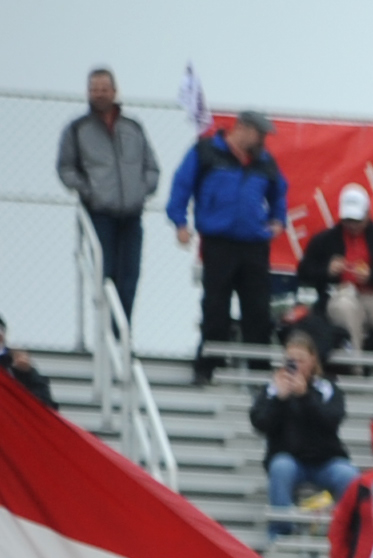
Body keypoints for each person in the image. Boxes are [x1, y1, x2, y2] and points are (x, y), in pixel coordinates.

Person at [164, 108, 286, 385]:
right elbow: (181, 187)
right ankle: (208, 366)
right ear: (241, 128)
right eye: (259, 133)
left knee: (258, 309)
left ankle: (258, 372)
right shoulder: (206, 152)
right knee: (215, 306)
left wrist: (278, 220)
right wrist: (180, 223)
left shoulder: (265, 161)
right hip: (218, 242)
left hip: (254, 245)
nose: (263, 140)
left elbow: (279, 193)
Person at [57, 70, 160, 336]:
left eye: (104, 88)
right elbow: (66, 168)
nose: (99, 93)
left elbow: (151, 167)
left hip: (132, 215)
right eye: (94, 88)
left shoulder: (132, 127)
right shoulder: (77, 129)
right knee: (107, 275)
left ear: (114, 91)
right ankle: (107, 335)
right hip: (100, 214)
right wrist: (89, 192)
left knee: (131, 277)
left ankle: (122, 333)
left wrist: (142, 190)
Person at [294, 185, 373, 359]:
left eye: (356, 220)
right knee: (345, 308)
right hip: (340, 294)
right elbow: (304, 271)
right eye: (348, 220)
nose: (352, 225)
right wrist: (327, 270)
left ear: (367, 214)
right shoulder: (324, 239)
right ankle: (354, 367)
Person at [250, 337, 358, 517]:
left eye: (301, 360)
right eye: (291, 360)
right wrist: (279, 399)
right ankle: (281, 531)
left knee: (349, 475)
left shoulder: (327, 388)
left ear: (312, 361)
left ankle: (349, 531)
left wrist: (305, 397)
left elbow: (332, 420)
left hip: (326, 461)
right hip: (289, 459)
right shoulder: (272, 389)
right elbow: (260, 423)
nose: (296, 365)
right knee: (281, 467)